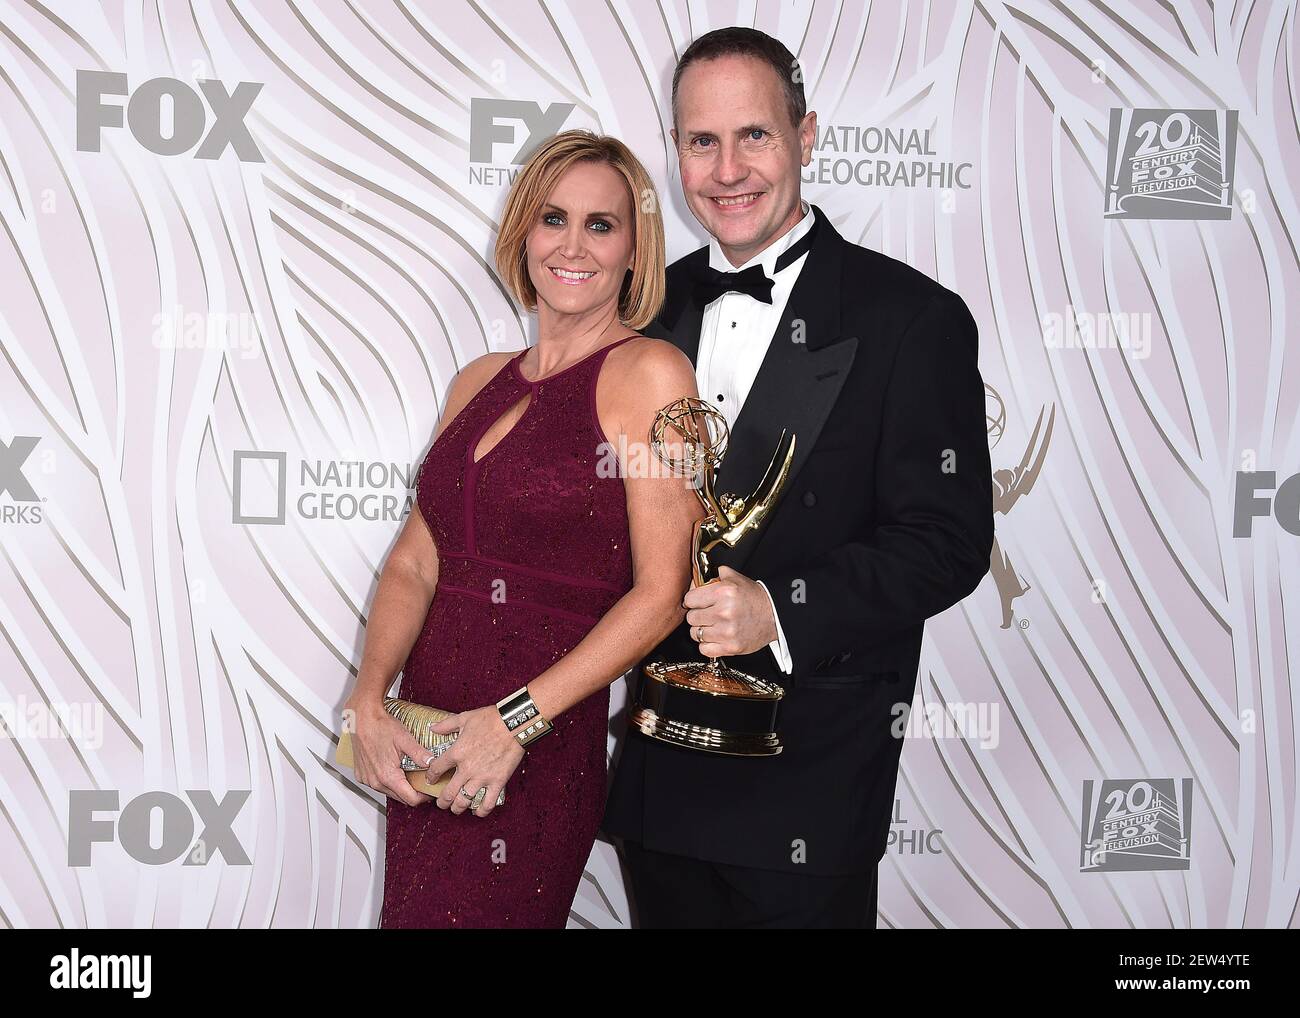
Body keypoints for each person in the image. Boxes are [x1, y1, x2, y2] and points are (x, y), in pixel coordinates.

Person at [601, 27, 995, 928]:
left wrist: (781, 608)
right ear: (676, 152)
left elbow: (947, 541)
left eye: (756, 136)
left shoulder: (911, 319)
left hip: (809, 783)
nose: (728, 168)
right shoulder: (643, 310)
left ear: (806, 136)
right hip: (661, 779)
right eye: (702, 140)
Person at [341, 130, 702, 928]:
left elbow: (661, 595)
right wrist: (368, 699)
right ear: (522, 235)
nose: (573, 246)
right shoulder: (477, 379)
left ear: (636, 249)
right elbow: (415, 564)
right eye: (553, 219)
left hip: (528, 754)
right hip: (427, 742)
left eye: (601, 225)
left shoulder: (653, 374)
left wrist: (515, 723)